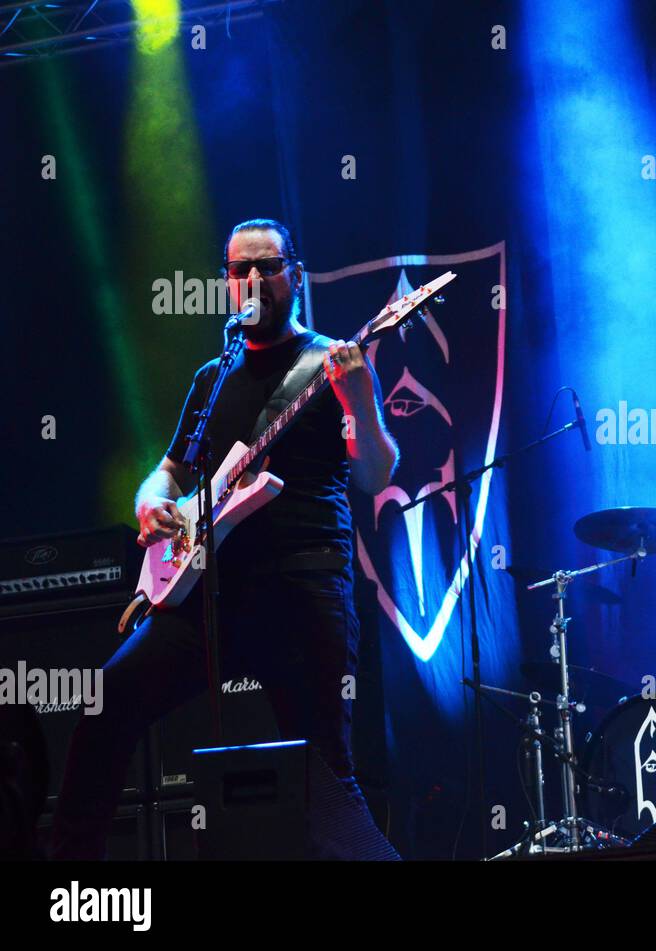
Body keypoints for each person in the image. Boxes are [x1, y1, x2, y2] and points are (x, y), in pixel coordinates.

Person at [50, 218, 399, 859]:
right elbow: (172, 469)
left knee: (325, 779)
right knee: (105, 706)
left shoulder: (330, 364)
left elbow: (375, 475)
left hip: (302, 586)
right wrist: (152, 502)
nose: (254, 281)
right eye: (241, 269)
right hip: (210, 592)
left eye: (268, 266)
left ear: (295, 272)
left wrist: (362, 400)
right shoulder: (214, 377)